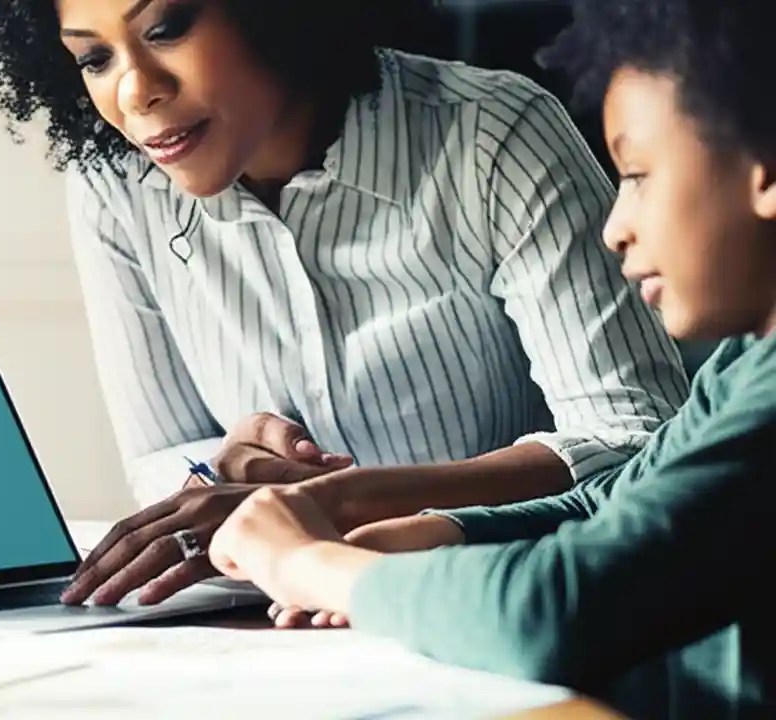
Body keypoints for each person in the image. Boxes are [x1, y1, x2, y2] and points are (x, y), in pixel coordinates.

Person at [0, 0, 688, 607]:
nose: (135, 91)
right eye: (94, 58)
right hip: (267, 633)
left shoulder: (491, 136)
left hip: (508, 609)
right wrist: (222, 468)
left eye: (168, 28)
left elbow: (638, 441)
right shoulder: (112, 186)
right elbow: (154, 463)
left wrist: (344, 502)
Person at [209, 0, 776, 716]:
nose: (615, 228)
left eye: (636, 176)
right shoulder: (743, 362)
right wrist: (447, 530)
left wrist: (311, 565)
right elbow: (626, 495)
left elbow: (552, 612)